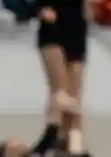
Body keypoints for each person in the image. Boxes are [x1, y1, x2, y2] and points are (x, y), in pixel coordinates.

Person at [36, 0, 88, 136]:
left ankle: (72, 143)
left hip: (77, 27)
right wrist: (37, 9)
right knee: (60, 92)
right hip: (53, 27)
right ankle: (51, 139)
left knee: (74, 96)